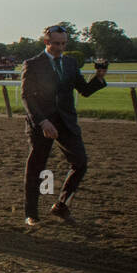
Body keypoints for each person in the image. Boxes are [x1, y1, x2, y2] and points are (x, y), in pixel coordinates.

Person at [22, 23, 107, 224]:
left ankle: (61, 206)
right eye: (56, 44)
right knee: (37, 167)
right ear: (46, 42)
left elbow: (84, 90)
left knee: (80, 162)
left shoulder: (70, 63)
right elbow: (26, 97)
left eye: (63, 44)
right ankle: (31, 214)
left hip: (66, 122)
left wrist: (99, 77)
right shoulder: (33, 64)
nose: (60, 48)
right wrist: (43, 122)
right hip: (41, 124)